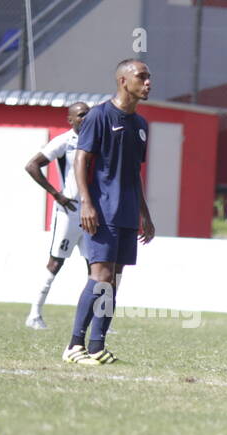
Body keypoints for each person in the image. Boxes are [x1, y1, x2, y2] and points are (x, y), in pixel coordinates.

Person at [64, 60, 155, 366]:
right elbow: (81, 161)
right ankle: (74, 345)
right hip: (102, 210)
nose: (147, 83)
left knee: (113, 280)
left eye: (148, 77)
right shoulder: (99, 116)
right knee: (100, 277)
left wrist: (145, 213)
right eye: (141, 77)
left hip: (128, 212)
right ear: (122, 81)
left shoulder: (141, 125)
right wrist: (86, 203)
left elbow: (133, 173)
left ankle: (96, 345)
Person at [23, 101, 90, 330]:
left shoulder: (97, 140)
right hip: (69, 212)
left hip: (92, 213)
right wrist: (56, 194)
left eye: (87, 114)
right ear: (70, 120)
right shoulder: (64, 141)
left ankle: (100, 321)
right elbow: (32, 165)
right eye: (80, 115)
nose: (85, 118)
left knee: (97, 265)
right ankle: (34, 314)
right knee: (56, 262)